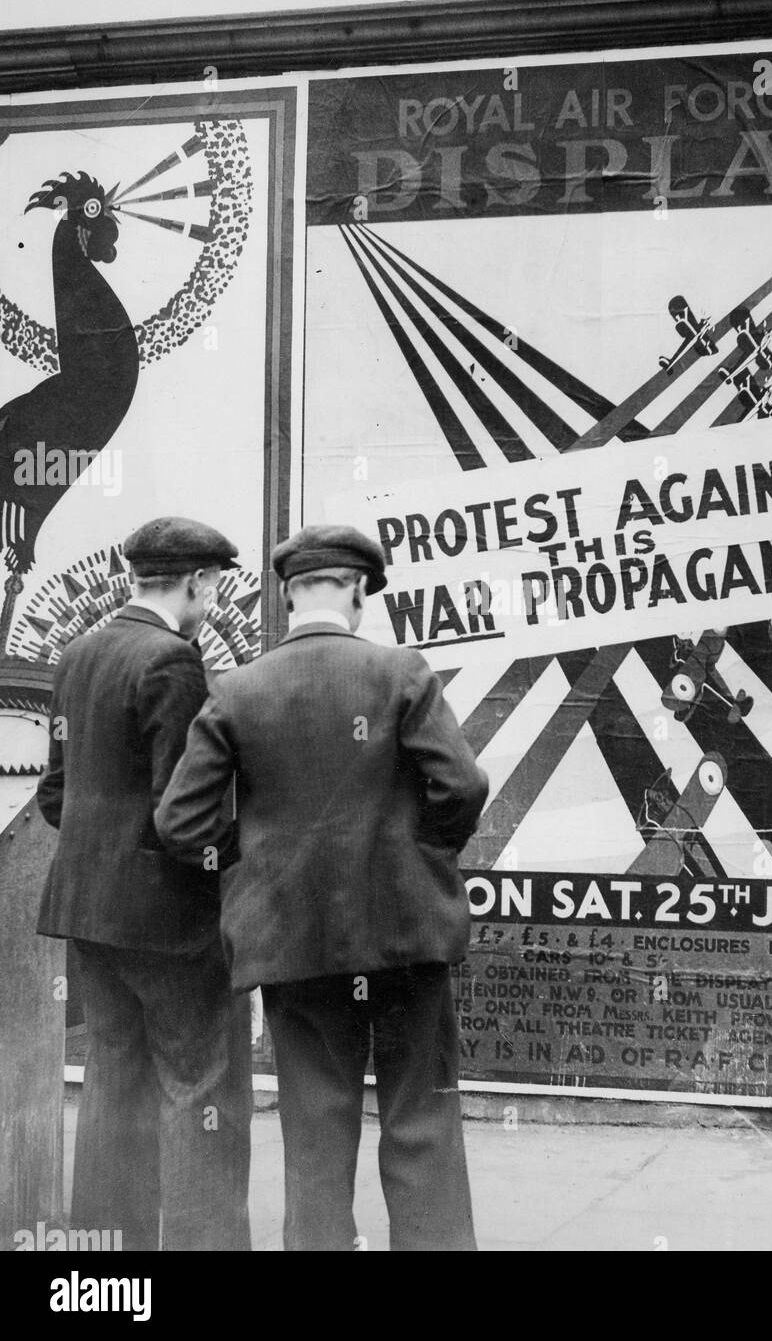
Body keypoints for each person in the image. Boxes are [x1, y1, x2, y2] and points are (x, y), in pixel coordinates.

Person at [155, 524, 489, 1252]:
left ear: (287, 595)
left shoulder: (237, 690)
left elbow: (181, 822)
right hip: (406, 931)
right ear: (360, 592)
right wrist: (422, 851)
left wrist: (257, 865)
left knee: (313, 1129)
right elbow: (461, 785)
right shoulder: (402, 673)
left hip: (293, 938)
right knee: (421, 1120)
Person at [36, 516, 252, 1252]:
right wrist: (238, 860)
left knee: (111, 1084)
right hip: (167, 920)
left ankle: (106, 1269)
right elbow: (181, 814)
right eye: (213, 586)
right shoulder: (172, 662)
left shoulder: (79, 654)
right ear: (195, 582)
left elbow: (55, 797)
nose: (213, 602)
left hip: (88, 911)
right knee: (200, 1088)